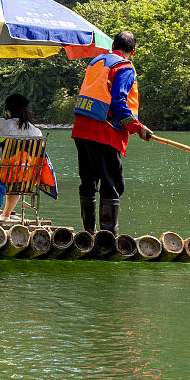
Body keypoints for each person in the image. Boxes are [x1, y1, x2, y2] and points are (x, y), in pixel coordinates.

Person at [72, 30, 153, 234]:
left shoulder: (97, 62)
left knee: (88, 182)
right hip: (104, 132)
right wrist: (137, 127)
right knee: (112, 184)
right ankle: (108, 237)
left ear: (112, 46)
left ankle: (88, 234)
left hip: (82, 130)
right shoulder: (124, 67)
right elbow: (118, 102)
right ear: (132, 52)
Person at [0, 92, 43, 219]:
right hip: (24, 177)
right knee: (15, 178)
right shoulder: (36, 131)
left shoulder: (1, 124)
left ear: (8, 110)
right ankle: (5, 215)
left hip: (1, 175)